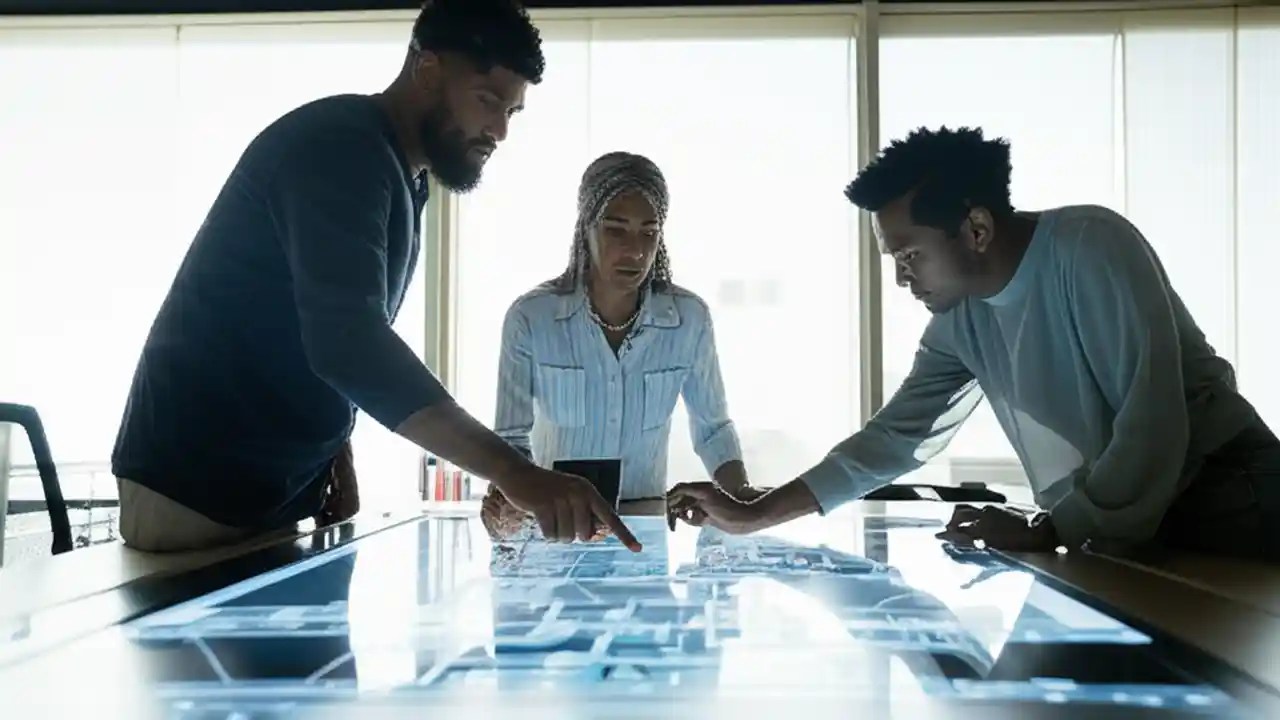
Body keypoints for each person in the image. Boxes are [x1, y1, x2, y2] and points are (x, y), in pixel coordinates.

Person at [111, 0, 640, 554]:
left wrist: (333, 456)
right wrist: (517, 474)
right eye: (487, 102)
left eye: (512, 112)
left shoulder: (399, 176)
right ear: (428, 70)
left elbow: (313, 322)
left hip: (266, 496)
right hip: (196, 494)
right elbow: (349, 343)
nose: (499, 132)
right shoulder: (341, 149)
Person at [668, 126, 1280, 562]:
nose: (902, 277)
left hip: (1234, 491)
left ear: (977, 229)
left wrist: (1050, 527)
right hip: (1137, 521)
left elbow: (1152, 424)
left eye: (910, 255)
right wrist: (756, 512)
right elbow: (892, 440)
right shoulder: (960, 322)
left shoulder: (1092, 247)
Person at [480, 152, 758, 540]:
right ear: (585, 228)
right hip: (553, 533)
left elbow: (712, 429)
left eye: (649, 232)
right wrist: (507, 504)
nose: (635, 251)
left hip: (641, 535)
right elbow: (510, 440)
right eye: (616, 230)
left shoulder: (688, 319)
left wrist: (742, 503)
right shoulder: (532, 318)